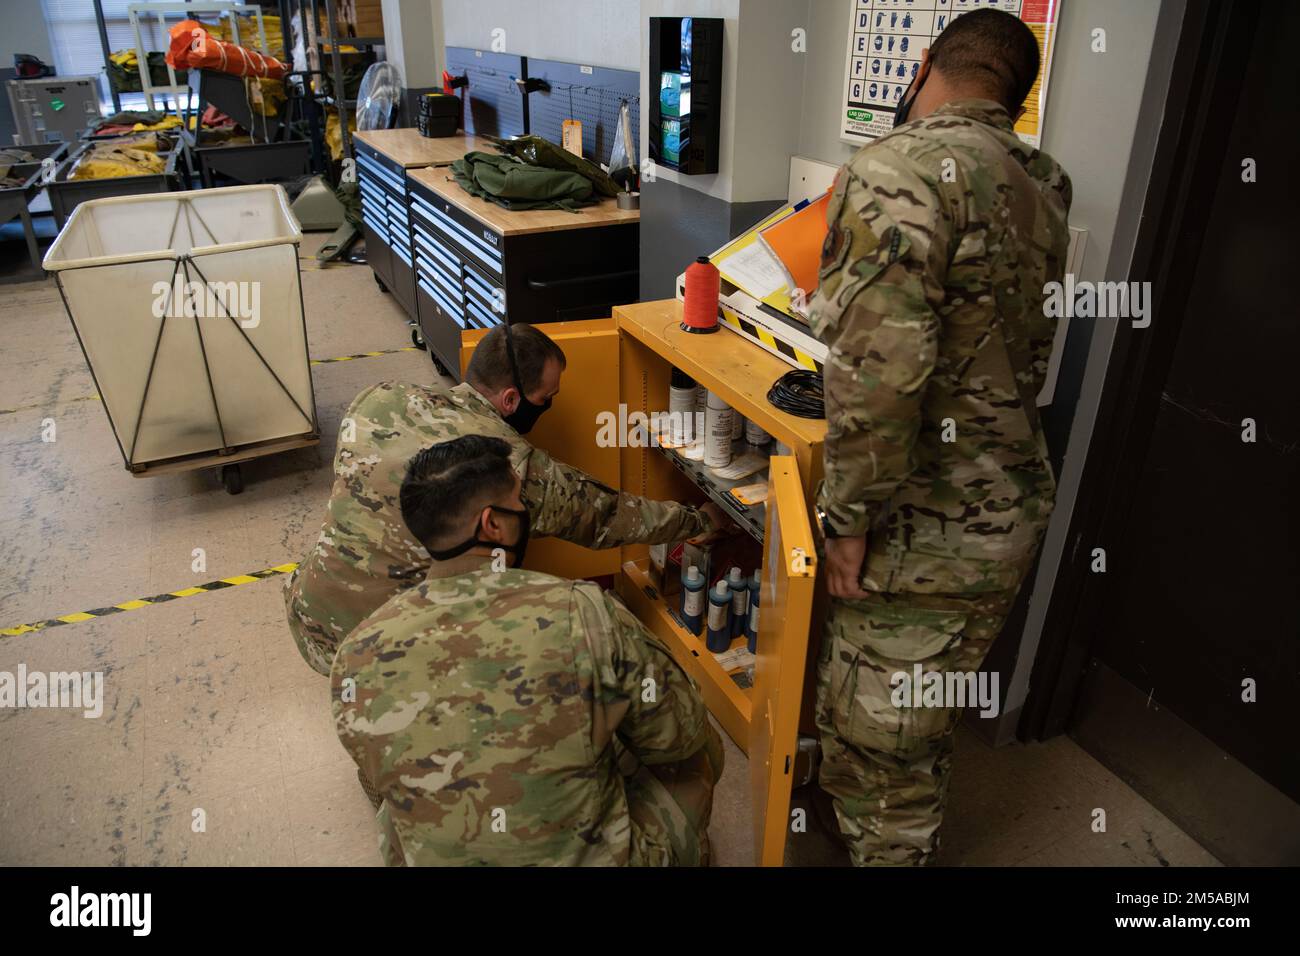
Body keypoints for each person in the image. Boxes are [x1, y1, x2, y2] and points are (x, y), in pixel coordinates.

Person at [808, 9, 1072, 866]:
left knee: (884, 741)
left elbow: (880, 374)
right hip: (1006, 504)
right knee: (912, 715)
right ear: (1016, 97)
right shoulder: (1043, 179)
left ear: (921, 67)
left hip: (925, 521)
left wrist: (847, 519)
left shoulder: (894, 169)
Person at [333, 435, 723, 866]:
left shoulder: (357, 652)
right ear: (493, 524)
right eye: (520, 500)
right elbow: (679, 734)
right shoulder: (582, 611)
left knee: (397, 804)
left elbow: (375, 765)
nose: (527, 510)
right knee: (700, 753)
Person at [285, 322, 725, 675]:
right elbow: (608, 516)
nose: (549, 404)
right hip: (377, 656)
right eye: (546, 399)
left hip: (308, 615)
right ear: (512, 399)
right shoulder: (504, 466)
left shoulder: (381, 399)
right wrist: (698, 521)